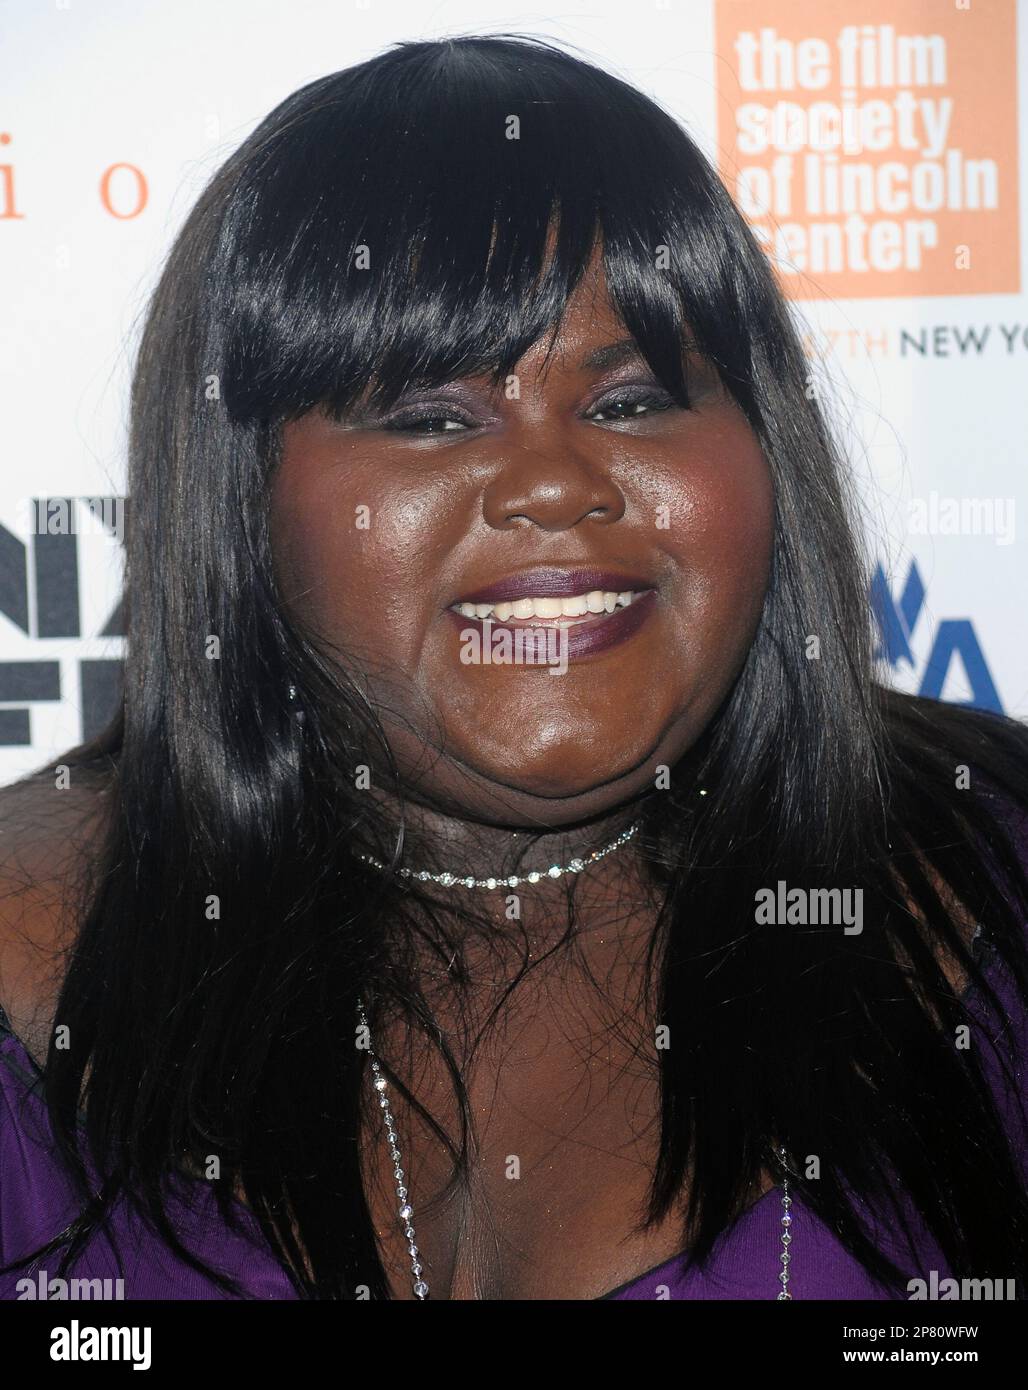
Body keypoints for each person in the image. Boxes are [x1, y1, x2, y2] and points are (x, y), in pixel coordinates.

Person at [1, 33, 1026, 1303]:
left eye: (634, 398)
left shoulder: (997, 868)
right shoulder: (25, 933)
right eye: (432, 416)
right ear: (239, 499)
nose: (551, 482)